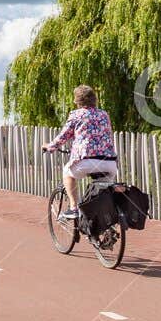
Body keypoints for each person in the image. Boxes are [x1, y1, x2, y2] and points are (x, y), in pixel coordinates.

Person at [43, 85, 118, 220]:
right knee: (101, 192)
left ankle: (73, 208)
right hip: (109, 163)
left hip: (87, 161)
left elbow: (63, 136)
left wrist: (50, 147)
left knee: (67, 172)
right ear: (94, 99)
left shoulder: (76, 114)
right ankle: (103, 226)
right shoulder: (104, 114)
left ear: (77, 101)